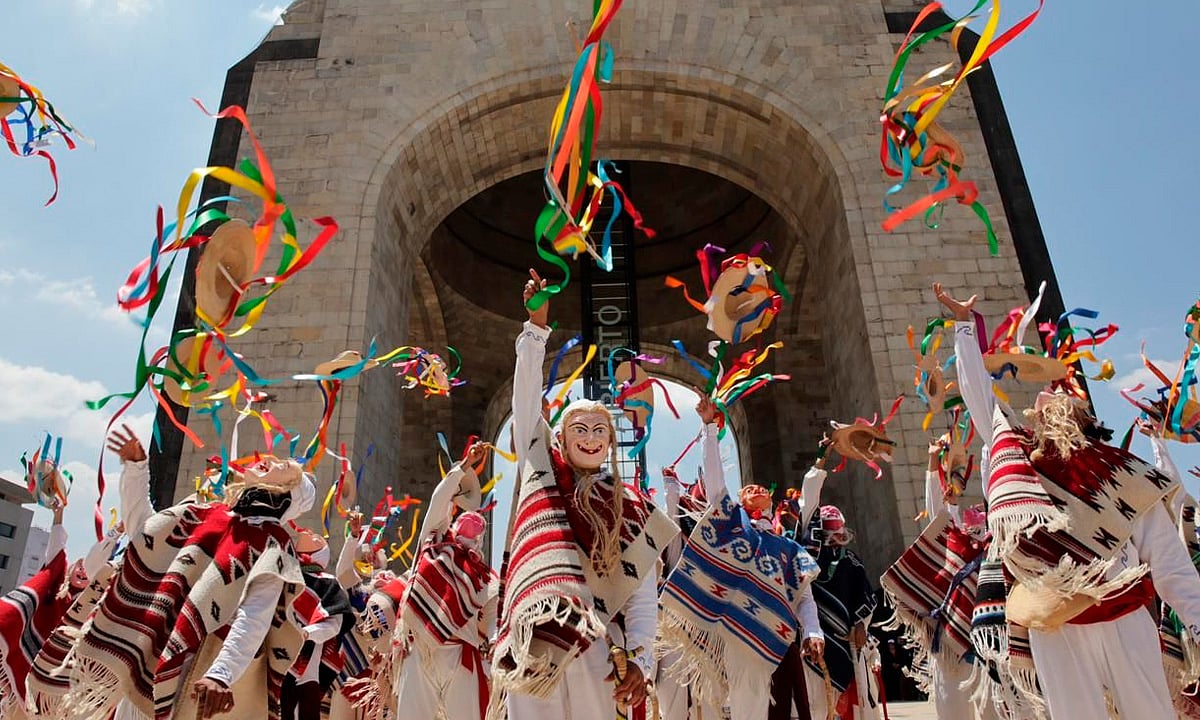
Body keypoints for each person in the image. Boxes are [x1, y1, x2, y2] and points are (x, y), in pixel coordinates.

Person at [936, 282, 1200, 720]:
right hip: (1054, 622)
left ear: (1087, 422)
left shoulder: (1123, 472)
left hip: (1123, 611)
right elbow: (982, 404)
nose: (1051, 404)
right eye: (1045, 405)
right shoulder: (1021, 462)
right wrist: (965, 329)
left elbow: (1170, 563)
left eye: (1062, 401)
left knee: (1150, 712)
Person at [491, 269, 679, 719]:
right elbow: (523, 401)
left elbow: (640, 596)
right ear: (559, 437)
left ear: (611, 443)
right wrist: (535, 330)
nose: (590, 438)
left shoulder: (631, 507)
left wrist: (642, 660)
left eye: (600, 430)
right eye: (579, 428)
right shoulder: (542, 467)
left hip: (598, 647)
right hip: (535, 637)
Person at [62, 451, 323, 720]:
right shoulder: (207, 515)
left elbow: (254, 616)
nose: (271, 459)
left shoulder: (274, 543)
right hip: (149, 654)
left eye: (284, 467)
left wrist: (221, 675)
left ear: (287, 491)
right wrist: (137, 468)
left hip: (195, 669)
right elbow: (145, 532)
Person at [658, 395, 823, 720]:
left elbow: (804, 597)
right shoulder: (733, 530)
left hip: (776, 636)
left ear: (773, 505)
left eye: (761, 490)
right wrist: (708, 429)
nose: (756, 490)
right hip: (733, 638)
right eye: (748, 490)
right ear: (742, 504)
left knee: (779, 710)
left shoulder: (788, 548)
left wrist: (814, 631)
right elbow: (718, 488)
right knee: (737, 709)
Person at [396, 441, 497, 720]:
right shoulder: (432, 544)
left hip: (461, 656)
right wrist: (462, 468)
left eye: (478, 531)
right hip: (421, 650)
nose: (472, 531)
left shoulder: (487, 579)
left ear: (481, 541)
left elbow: (492, 622)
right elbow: (438, 502)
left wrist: (500, 650)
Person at [282, 527, 355, 720]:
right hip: (275, 653)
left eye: (318, 539)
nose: (313, 534)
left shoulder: (327, 584)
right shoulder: (282, 572)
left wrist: (306, 633)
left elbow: (334, 624)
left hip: (307, 660)